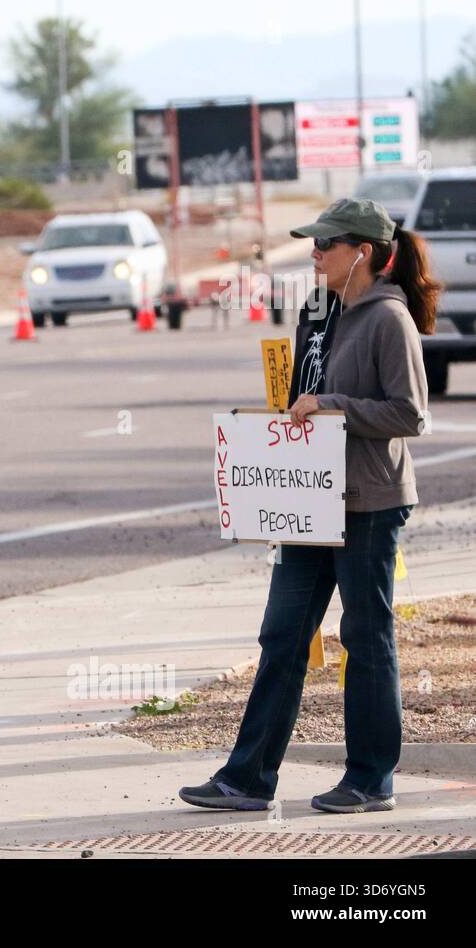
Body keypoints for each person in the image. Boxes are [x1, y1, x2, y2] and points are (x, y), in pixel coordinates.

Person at [180, 198, 440, 814]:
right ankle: (247, 779)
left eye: (327, 243)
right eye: (314, 243)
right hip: (308, 499)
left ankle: (370, 780)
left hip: (369, 503)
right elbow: (302, 392)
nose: (315, 252)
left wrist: (333, 406)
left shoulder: (388, 320)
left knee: (365, 636)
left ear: (366, 254)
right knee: (282, 635)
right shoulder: (320, 311)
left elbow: (411, 415)